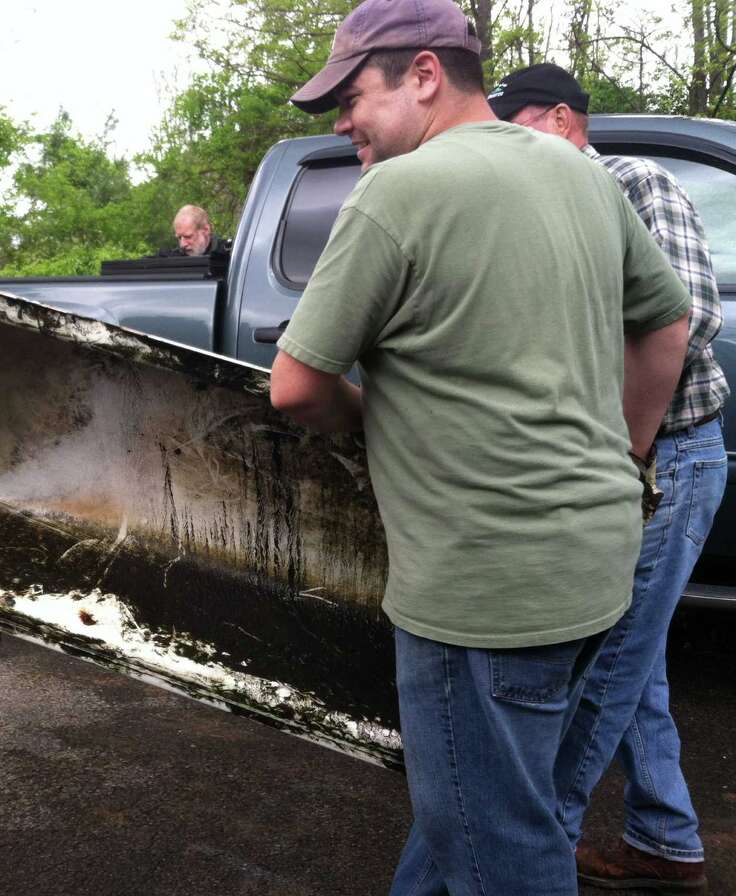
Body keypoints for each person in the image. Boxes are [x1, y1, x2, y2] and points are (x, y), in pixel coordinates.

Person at [273, 1, 692, 892]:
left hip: (484, 588)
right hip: (596, 558)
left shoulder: (398, 191)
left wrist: (368, 415)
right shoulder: (581, 174)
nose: (343, 121)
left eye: (352, 96)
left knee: (505, 846)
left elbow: (296, 385)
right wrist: (624, 450)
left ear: (424, 74)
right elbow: (668, 325)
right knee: (477, 799)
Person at [489, 63, 728, 893]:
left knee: (608, 667)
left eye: (514, 124)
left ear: (561, 120)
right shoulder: (528, 205)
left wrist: (614, 443)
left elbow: (689, 316)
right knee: (640, 661)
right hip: (616, 462)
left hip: (666, 458)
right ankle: (665, 837)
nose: (501, 145)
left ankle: (533, 848)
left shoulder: (633, 182)